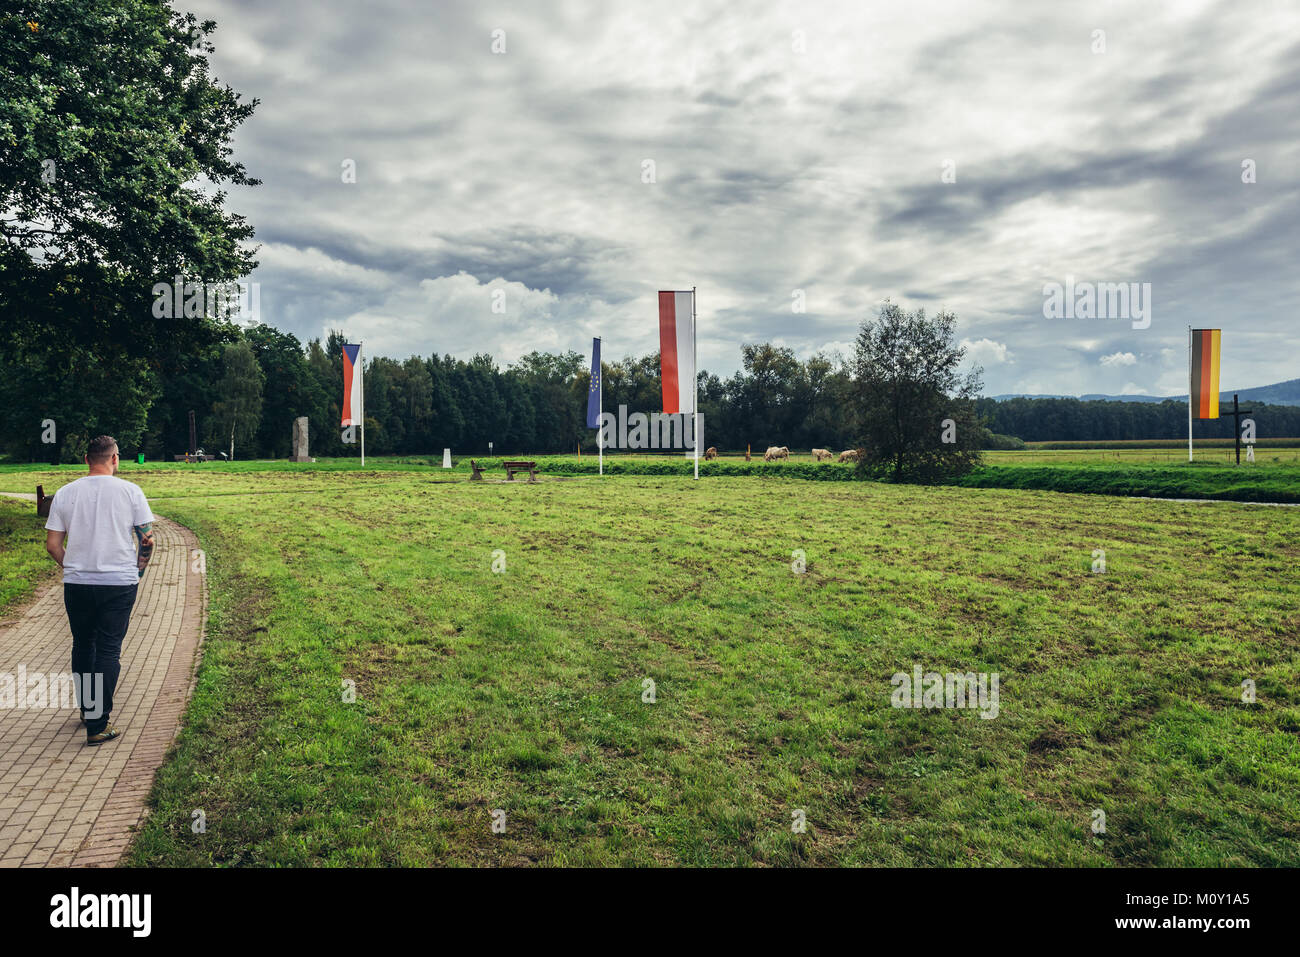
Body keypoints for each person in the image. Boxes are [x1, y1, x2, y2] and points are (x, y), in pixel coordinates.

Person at [43, 435, 155, 746]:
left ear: (86, 459)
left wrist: (74, 568)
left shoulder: (65, 493)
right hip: (118, 583)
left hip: (78, 584)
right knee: (108, 650)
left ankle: (87, 709)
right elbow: (148, 540)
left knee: (83, 645)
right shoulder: (131, 492)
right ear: (115, 459)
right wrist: (138, 573)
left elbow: (53, 545)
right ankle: (98, 724)